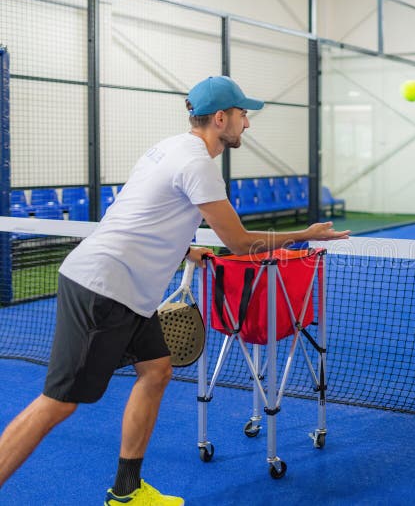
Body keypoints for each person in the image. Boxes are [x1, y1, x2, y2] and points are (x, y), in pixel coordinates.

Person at [0, 76, 350, 505]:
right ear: (220, 118)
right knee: (57, 403)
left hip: (131, 292)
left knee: (157, 370)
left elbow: (141, 212)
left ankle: (126, 492)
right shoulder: (197, 163)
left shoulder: (167, 148)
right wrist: (307, 233)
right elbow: (239, 242)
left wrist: (185, 248)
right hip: (103, 288)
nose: (247, 124)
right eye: (243, 115)